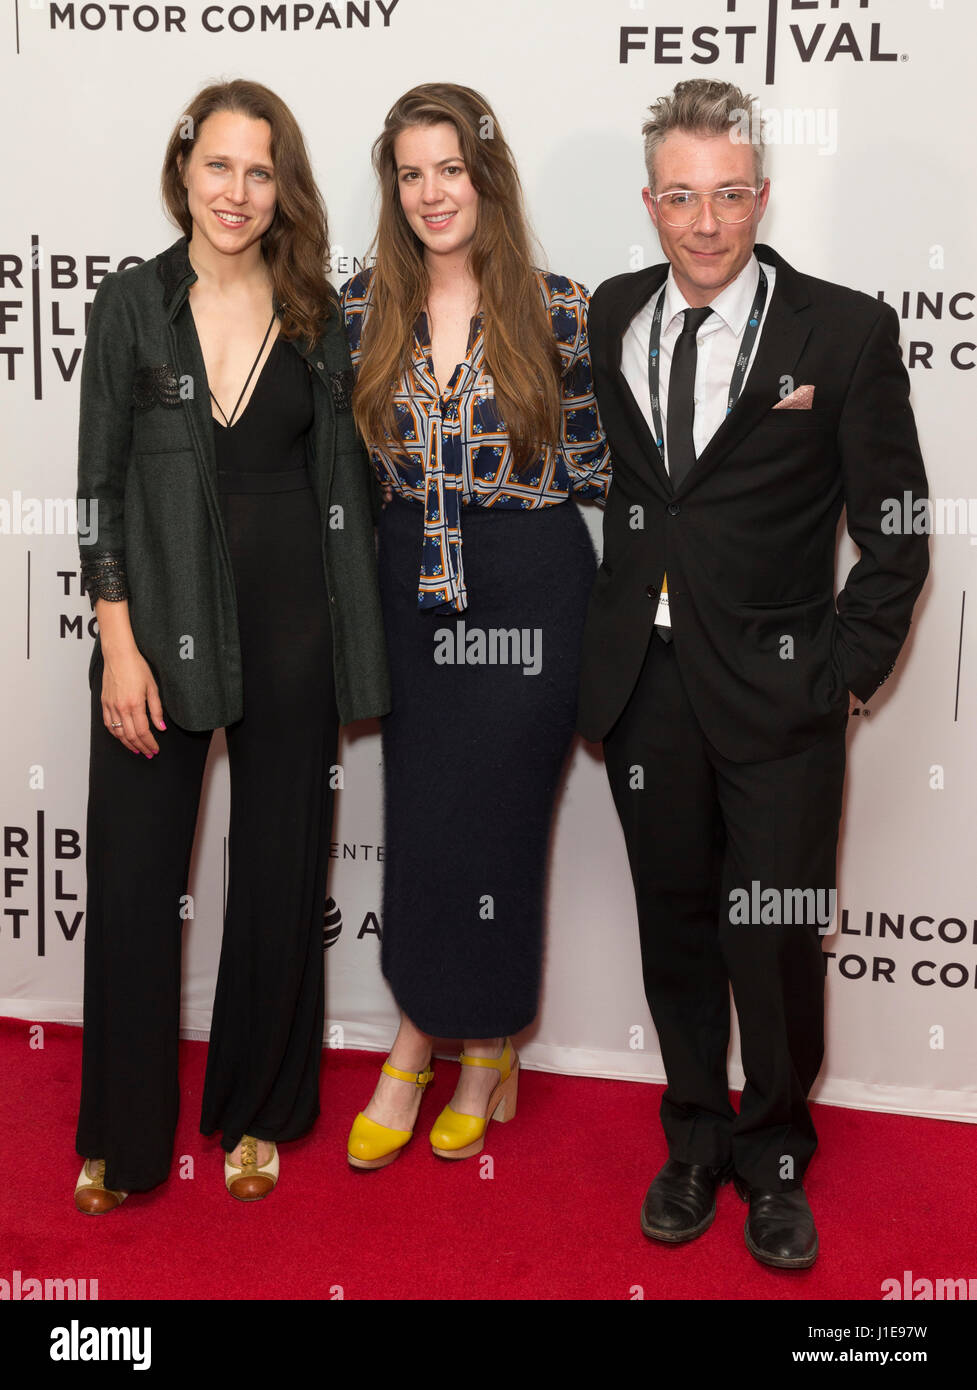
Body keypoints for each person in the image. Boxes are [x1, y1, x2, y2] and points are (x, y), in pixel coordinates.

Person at [577, 79, 928, 1267]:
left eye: (728, 194)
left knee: (771, 938)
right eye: (681, 196)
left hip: (779, 694)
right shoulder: (613, 314)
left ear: (761, 195)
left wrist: (837, 673)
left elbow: (895, 528)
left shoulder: (842, 332)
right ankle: (692, 1137)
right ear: (650, 202)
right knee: (674, 924)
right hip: (645, 687)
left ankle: (774, 1157)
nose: (706, 222)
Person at [73, 79, 389, 1211]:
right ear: (184, 168)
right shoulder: (131, 305)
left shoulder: (318, 317)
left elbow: (343, 486)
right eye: (219, 165)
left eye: (260, 171)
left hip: (295, 628)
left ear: (282, 185)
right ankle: (121, 1130)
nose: (237, 191)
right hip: (154, 635)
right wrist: (117, 641)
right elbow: (99, 488)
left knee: (276, 873)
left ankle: (260, 1108)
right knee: (132, 878)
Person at [340, 83, 610, 1168]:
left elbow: (605, 467)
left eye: (449, 167)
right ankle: (435, 1030)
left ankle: (462, 1043)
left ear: (485, 174)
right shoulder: (357, 309)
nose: (430, 192)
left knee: (498, 822)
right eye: (410, 173)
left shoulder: (562, 308)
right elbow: (345, 477)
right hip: (412, 586)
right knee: (422, 819)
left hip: (533, 586)